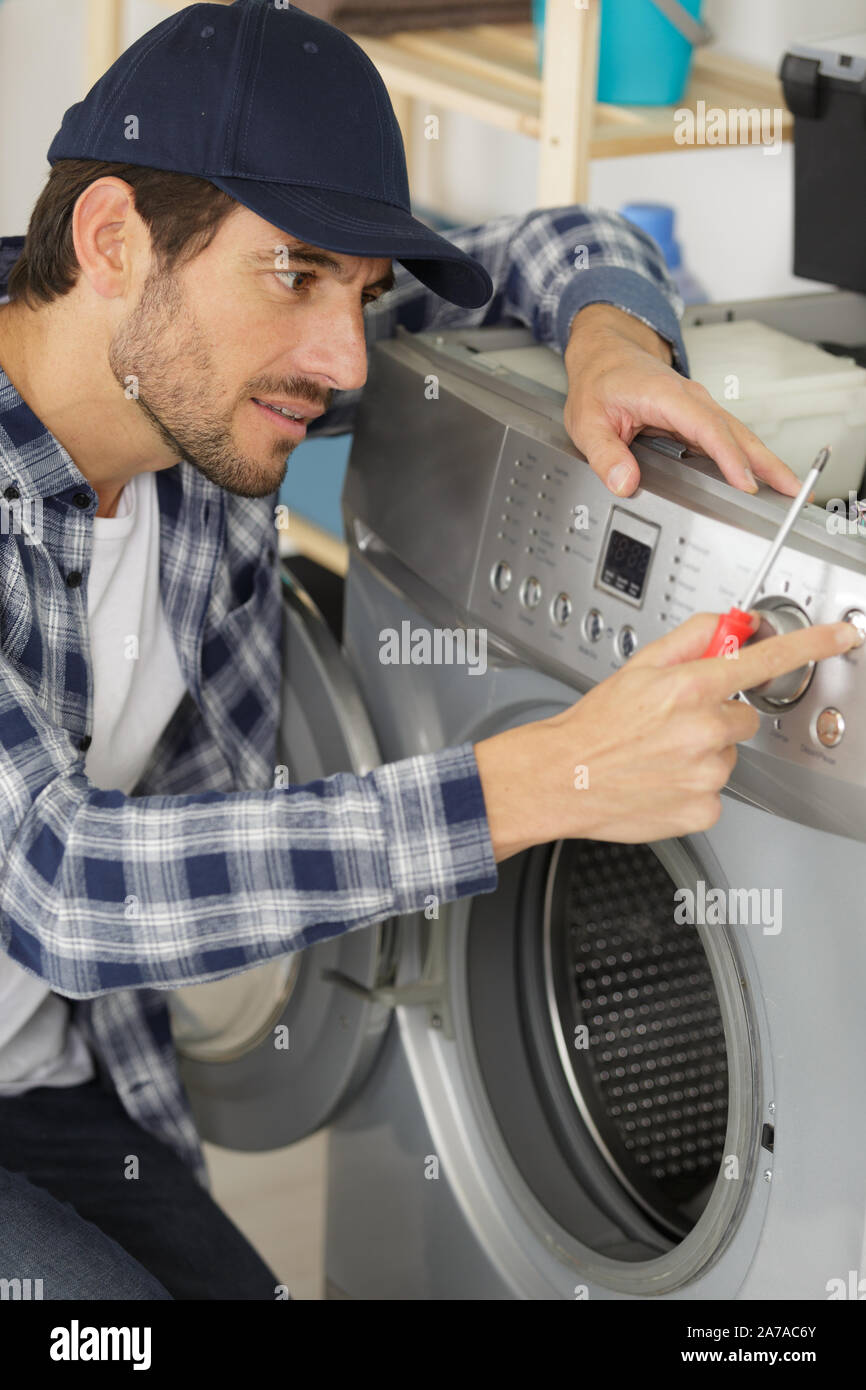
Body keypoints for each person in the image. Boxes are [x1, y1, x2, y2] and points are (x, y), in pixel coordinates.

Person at [0, 0, 859, 1301]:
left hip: (62, 1073)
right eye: (295, 272)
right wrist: (546, 779)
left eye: (358, 289)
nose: (346, 356)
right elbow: (62, 882)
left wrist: (607, 336)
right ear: (112, 239)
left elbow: (548, 240)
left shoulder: (203, 379)